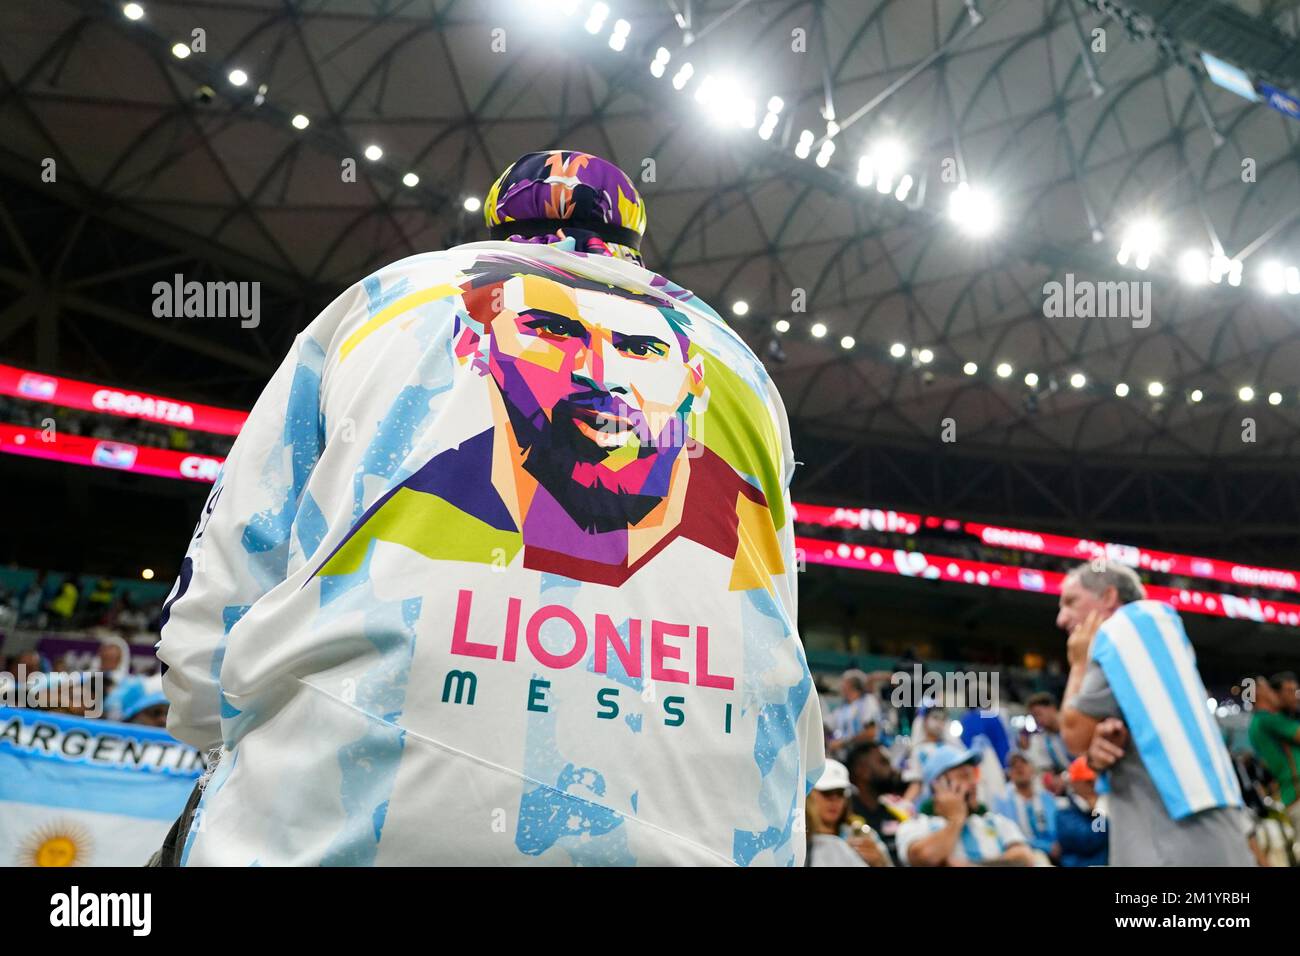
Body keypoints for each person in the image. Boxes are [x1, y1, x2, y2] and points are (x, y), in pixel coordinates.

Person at [153, 149, 823, 866]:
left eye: (633, 350)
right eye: (554, 333)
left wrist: (216, 737)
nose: (600, 375)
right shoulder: (740, 363)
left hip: (335, 828)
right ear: (481, 345)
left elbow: (223, 583)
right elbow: (777, 635)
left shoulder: (386, 299)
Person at [1058, 560, 1254, 866]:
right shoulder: (1160, 631)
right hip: (1209, 818)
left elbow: (1073, 735)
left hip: (1172, 830)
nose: (1062, 618)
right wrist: (1097, 750)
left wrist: (1079, 663)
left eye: (1071, 602)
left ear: (1108, 597)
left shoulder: (1119, 631)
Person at [894, 744, 1034, 866]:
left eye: (974, 775)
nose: (974, 783)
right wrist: (956, 819)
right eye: (964, 776)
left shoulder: (995, 821)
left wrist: (971, 865)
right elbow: (924, 857)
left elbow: (1024, 858)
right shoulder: (916, 825)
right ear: (939, 785)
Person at [805, 759, 890, 867]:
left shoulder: (863, 834)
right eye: (827, 793)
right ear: (808, 795)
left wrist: (879, 862)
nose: (834, 800)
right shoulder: (797, 836)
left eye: (840, 793)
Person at [1248, 674, 1300, 838]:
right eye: (1268, 689)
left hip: (1290, 794)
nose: (1273, 693)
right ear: (1258, 693)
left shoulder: (1256, 724)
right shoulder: (1268, 720)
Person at [845, 741, 911, 864]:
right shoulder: (844, 817)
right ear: (862, 771)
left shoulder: (897, 815)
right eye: (883, 762)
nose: (892, 769)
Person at [993, 749, 1058, 862]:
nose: (1019, 767)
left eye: (1023, 762)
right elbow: (1010, 837)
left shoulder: (1047, 798)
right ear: (1009, 774)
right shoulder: (1002, 803)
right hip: (1025, 856)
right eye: (1013, 765)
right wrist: (1045, 847)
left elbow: (1056, 828)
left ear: (1032, 769)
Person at [1055, 756, 1108, 867]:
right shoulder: (1065, 810)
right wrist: (1099, 812)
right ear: (1075, 783)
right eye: (1089, 782)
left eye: (1096, 781)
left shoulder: (1103, 801)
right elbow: (1090, 840)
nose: (1095, 786)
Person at [827, 669, 882, 758]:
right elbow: (827, 725)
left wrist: (843, 743)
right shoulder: (843, 708)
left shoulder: (867, 702)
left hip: (865, 757)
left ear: (851, 685)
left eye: (844, 683)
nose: (841, 686)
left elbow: (871, 733)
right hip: (846, 757)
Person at [1025, 691, 1072, 793]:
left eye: (1039, 714)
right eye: (1034, 717)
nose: (1037, 720)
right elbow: (1045, 771)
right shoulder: (1041, 741)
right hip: (1072, 787)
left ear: (1052, 708)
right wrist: (1050, 780)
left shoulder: (1073, 724)